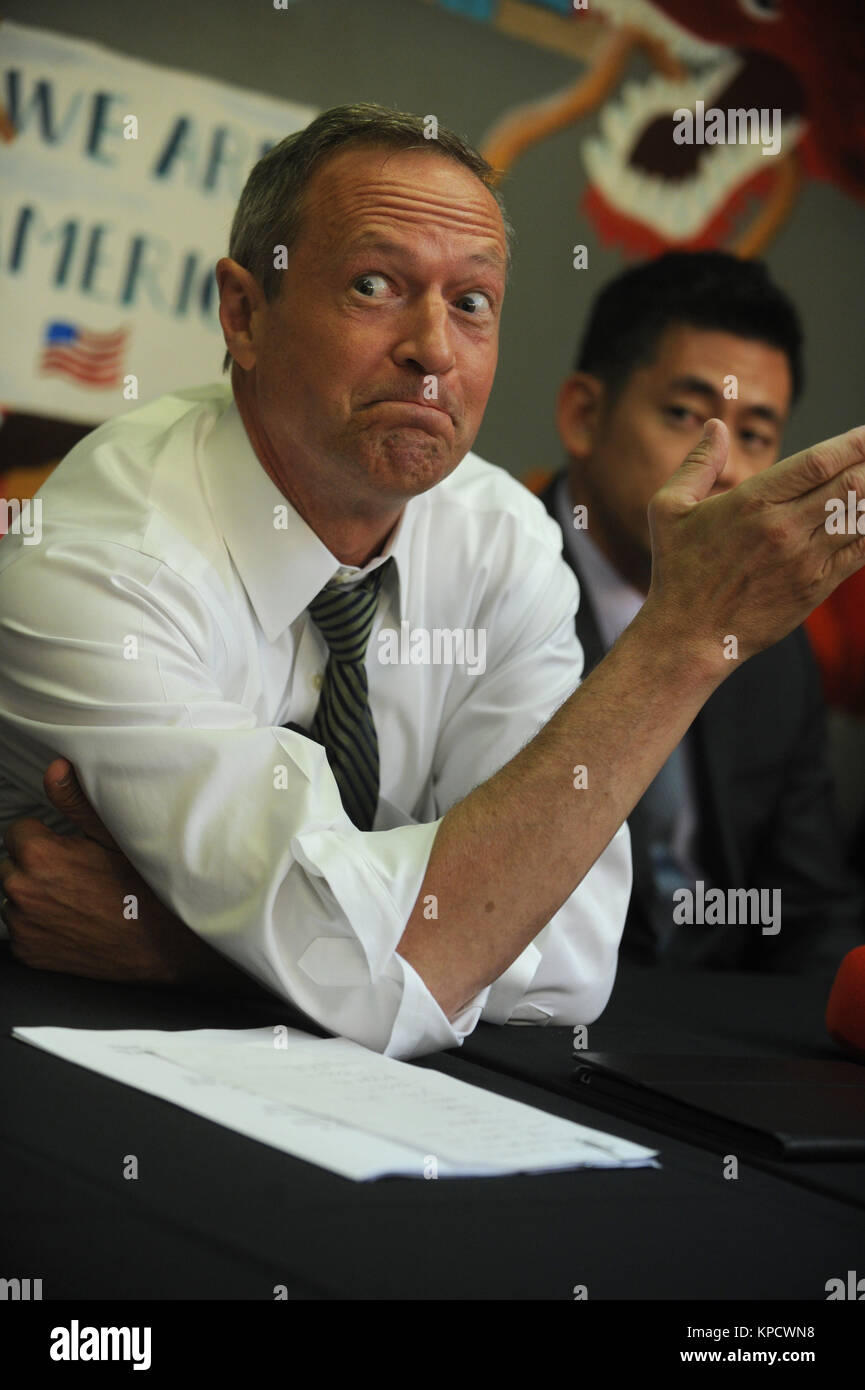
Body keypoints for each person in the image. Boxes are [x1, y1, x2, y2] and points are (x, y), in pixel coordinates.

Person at [0, 106, 863, 1060]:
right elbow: (458, 950)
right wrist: (681, 641)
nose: (434, 350)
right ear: (244, 313)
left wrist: (183, 947)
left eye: (472, 302)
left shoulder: (504, 540)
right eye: (374, 286)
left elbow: (567, 960)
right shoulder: (102, 559)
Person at [538, 252, 863, 971]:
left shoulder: (774, 640)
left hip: (711, 1035)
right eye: (687, 417)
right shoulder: (487, 582)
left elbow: (809, 914)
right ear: (583, 415)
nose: (729, 472)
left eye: (753, 435)